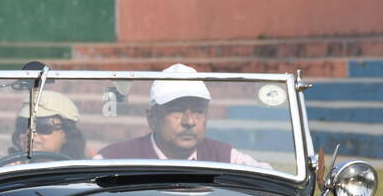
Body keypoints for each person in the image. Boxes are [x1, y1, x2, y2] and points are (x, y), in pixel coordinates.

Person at [95, 63, 270, 168]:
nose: (189, 121)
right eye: (176, 110)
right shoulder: (116, 158)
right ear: (152, 118)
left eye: (198, 111)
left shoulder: (224, 156)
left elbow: (268, 177)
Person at [11, 90, 86, 160]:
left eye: (43, 127)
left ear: (66, 135)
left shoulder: (82, 172)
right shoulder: (7, 170)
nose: (29, 133)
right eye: (22, 126)